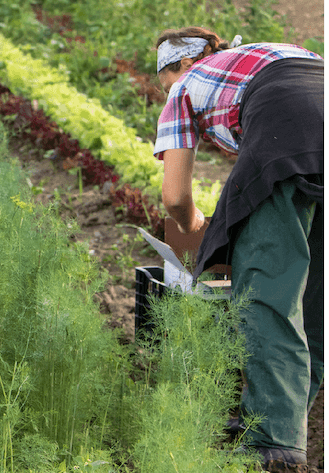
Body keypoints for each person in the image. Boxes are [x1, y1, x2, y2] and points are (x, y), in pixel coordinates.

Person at [153, 27, 323, 472]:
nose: (166, 93)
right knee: (315, 297)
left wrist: (196, 229)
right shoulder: (267, 53)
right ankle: (279, 414)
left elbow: (174, 198)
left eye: (163, 83)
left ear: (182, 66)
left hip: (291, 135)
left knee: (264, 286)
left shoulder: (187, 85)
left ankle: (272, 441)